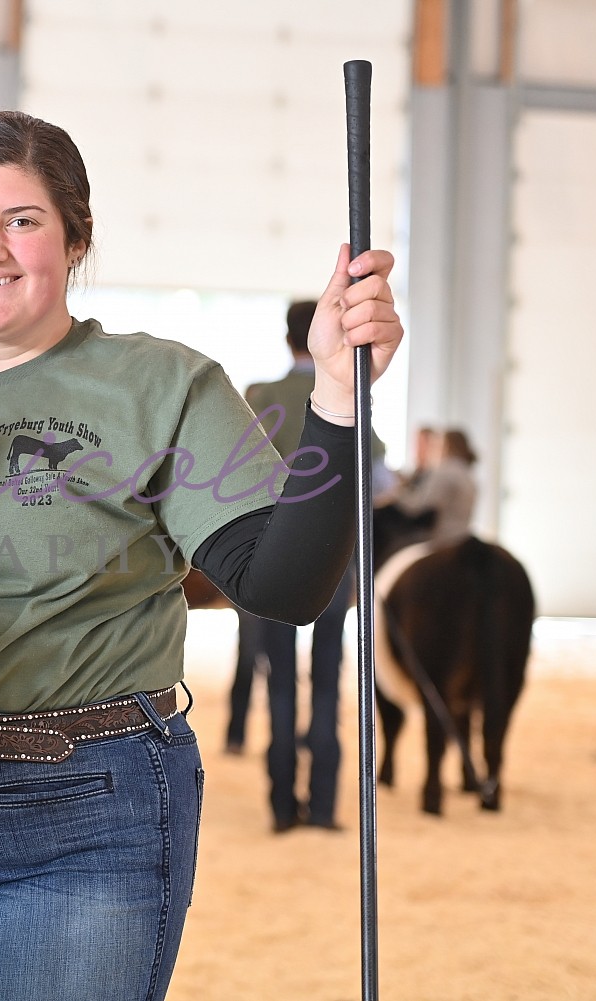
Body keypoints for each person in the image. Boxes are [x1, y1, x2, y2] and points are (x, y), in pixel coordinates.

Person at [0, 111, 404, 1000]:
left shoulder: (159, 384)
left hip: (82, 816)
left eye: (22, 220)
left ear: (75, 239)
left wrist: (339, 397)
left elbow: (285, 587)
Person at [239, 301, 354, 832]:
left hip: (270, 561)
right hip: (335, 567)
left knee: (279, 684)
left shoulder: (260, 398)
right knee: (328, 684)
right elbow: (379, 481)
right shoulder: (353, 392)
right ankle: (326, 807)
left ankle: (283, 808)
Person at [391, 427, 478, 546]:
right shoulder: (467, 473)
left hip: (443, 539)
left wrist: (397, 493)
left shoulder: (445, 471)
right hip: (462, 537)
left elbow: (419, 505)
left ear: (446, 445)